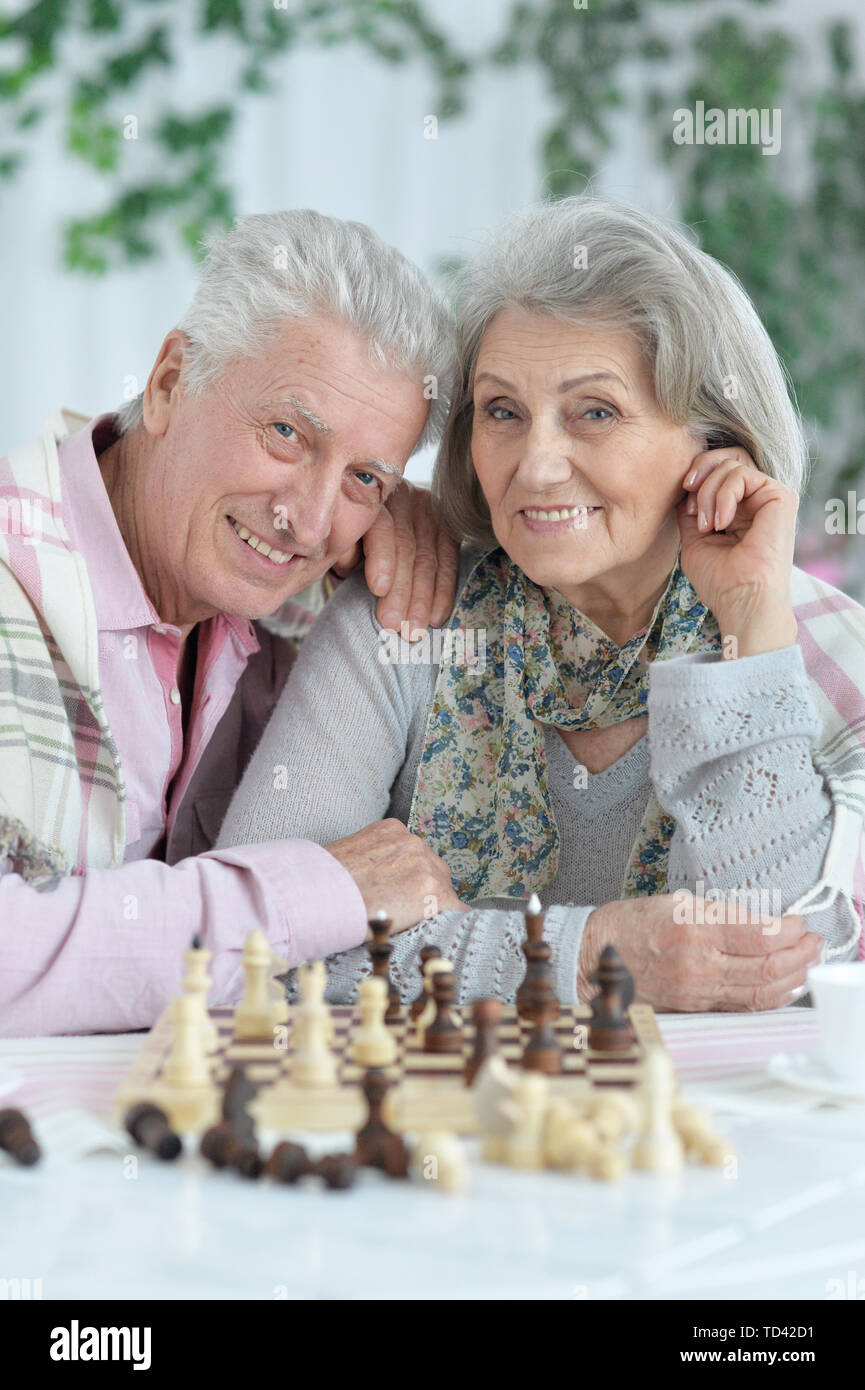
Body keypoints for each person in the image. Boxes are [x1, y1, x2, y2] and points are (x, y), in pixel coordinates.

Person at [220, 197, 865, 1014]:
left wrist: (746, 626)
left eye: (593, 412)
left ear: (713, 440)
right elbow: (250, 946)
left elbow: (767, 967)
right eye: (503, 412)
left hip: (692, 1133)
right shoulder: (406, 615)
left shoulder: (825, 658)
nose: (537, 464)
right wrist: (585, 956)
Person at [0, 209, 465, 1037]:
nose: (308, 519)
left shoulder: (307, 604)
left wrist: (421, 521)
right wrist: (318, 889)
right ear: (171, 381)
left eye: (364, 477)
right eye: (286, 433)